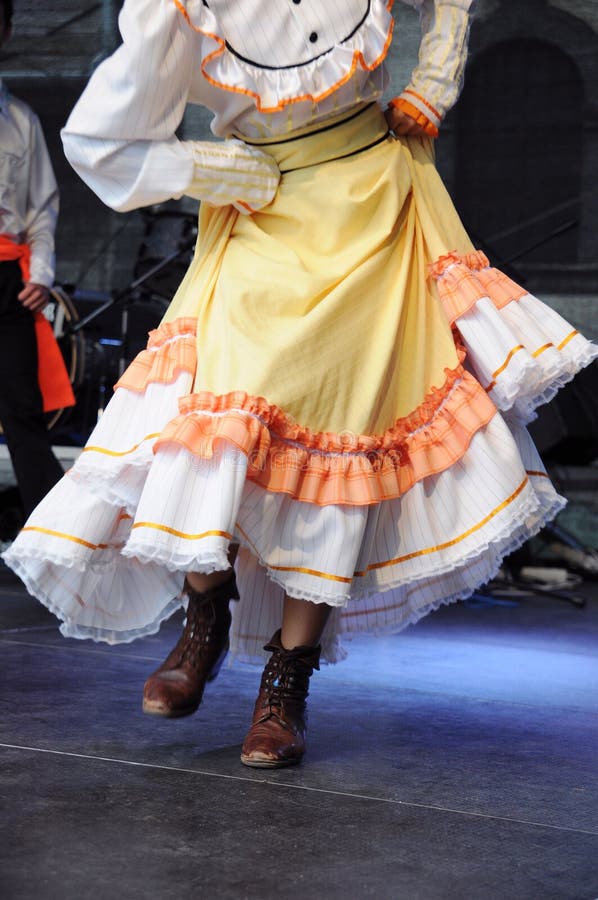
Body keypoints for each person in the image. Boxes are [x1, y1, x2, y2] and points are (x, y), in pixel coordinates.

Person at [5, 0, 596, 768]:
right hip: (260, 209)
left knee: (344, 437)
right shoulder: (187, 7)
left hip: (373, 207)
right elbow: (100, 138)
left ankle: (288, 679)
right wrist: (209, 168)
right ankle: (206, 607)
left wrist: (434, 82)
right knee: (213, 416)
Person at [0, 0, 73, 522]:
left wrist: (42, 277)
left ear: (5, 32)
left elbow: (42, 211)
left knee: (22, 412)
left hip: (8, 276)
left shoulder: (20, 120)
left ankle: (52, 539)